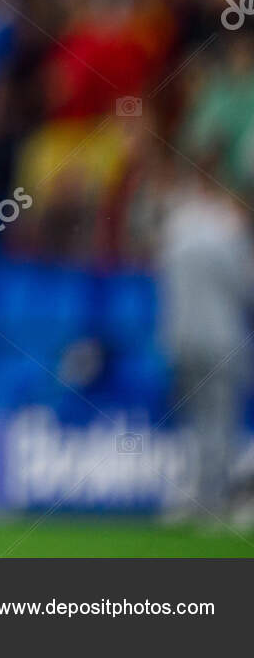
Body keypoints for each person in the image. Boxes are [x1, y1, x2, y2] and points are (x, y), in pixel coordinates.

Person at [156, 153, 254, 525]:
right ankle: (217, 499)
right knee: (220, 421)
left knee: (195, 422)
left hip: (181, 337)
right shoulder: (230, 229)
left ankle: (195, 497)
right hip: (221, 340)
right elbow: (246, 289)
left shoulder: (178, 225)